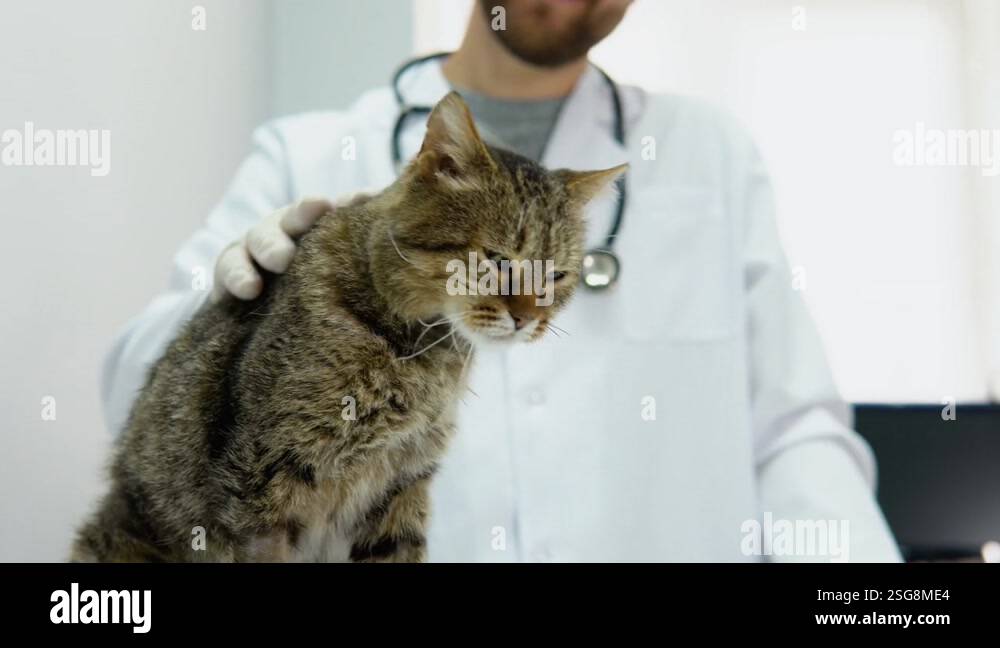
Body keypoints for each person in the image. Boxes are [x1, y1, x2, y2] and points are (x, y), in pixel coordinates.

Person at [102, 0, 901, 562]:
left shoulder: (708, 153)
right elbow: (135, 401)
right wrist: (236, 316)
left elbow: (798, 436)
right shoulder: (305, 151)